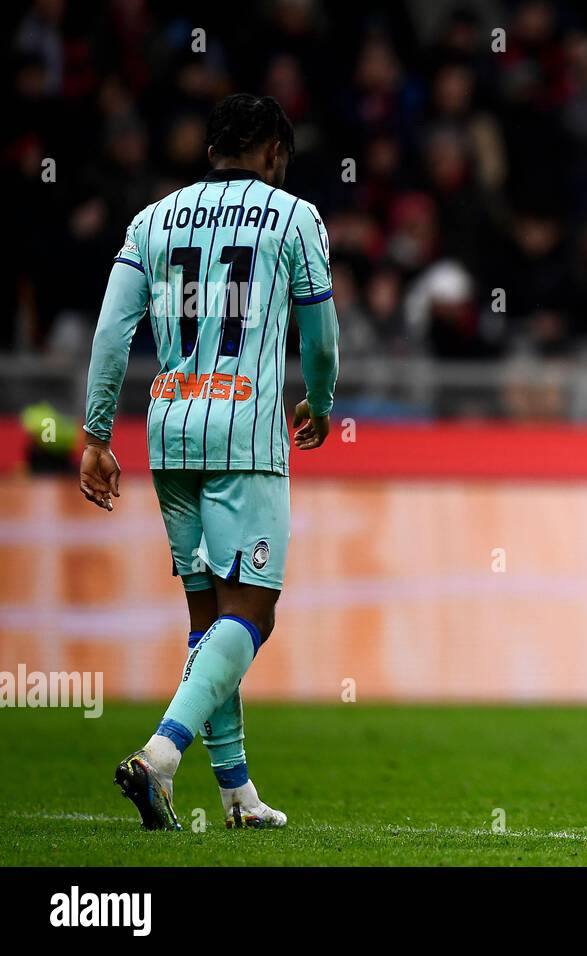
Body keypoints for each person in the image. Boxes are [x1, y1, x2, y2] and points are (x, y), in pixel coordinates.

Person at [80, 94, 339, 830]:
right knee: (253, 612)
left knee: (208, 619)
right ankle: (161, 756)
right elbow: (320, 340)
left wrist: (98, 435)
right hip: (246, 428)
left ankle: (236, 795)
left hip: (171, 428)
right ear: (273, 153)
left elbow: (110, 330)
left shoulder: (151, 220)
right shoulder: (296, 218)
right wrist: (319, 403)